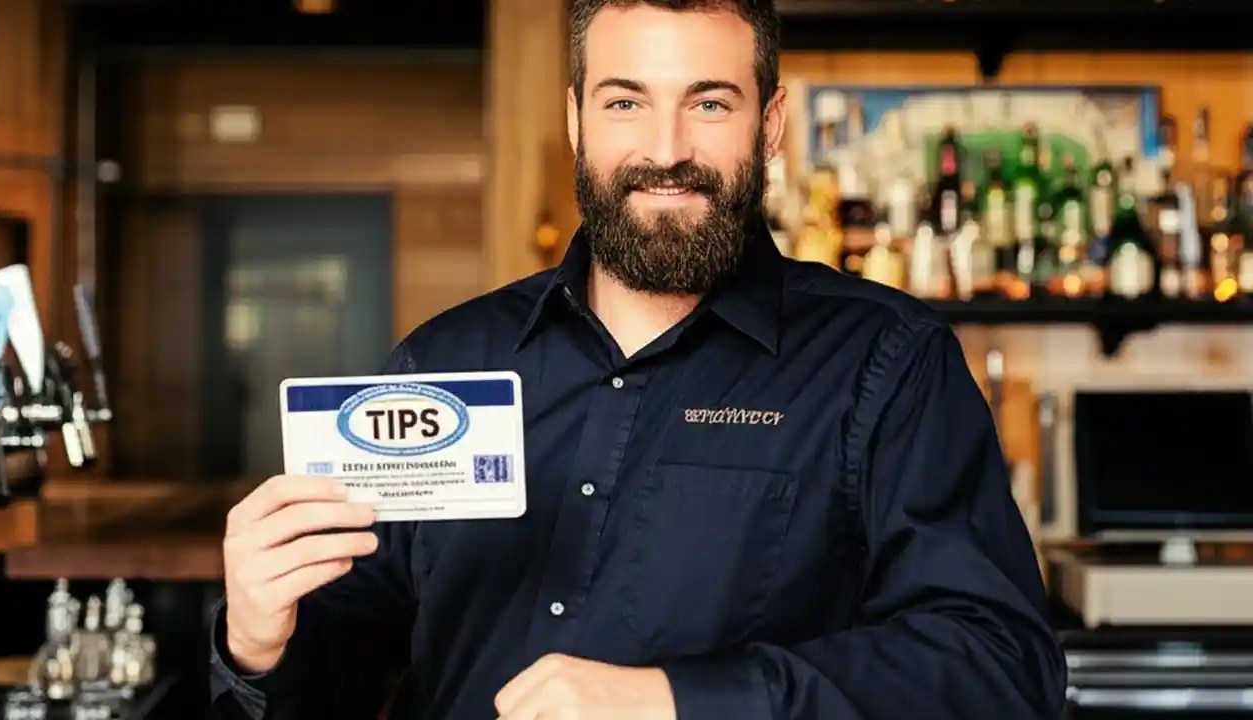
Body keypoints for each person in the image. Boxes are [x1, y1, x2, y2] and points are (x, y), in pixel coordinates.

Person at [209, 1, 1068, 718]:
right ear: (575, 117)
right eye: (626, 103)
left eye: (708, 103)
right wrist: (255, 641)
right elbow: (346, 671)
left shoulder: (887, 362)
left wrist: (677, 701)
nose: (666, 151)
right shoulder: (442, 360)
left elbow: (998, 668)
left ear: (769, 124)